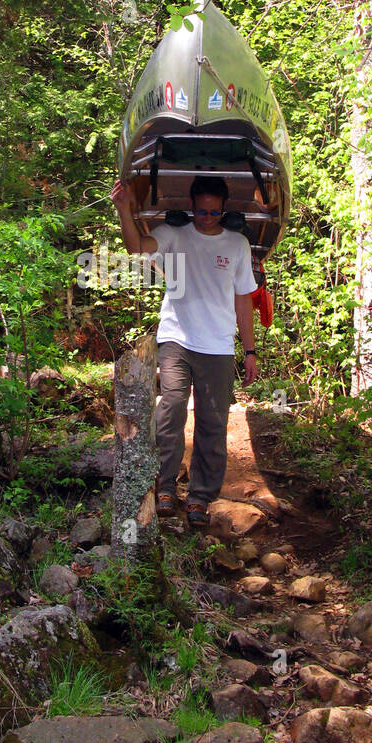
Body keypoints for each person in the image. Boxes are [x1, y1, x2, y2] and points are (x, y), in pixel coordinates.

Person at [111, 174, 258, 527]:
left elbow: (243, 300)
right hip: (176, 338)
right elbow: (135, 249)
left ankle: (200, 497)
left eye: (214, 212)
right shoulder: (173, 234)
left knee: (212, 421)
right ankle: (165, 488)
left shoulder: (237, 244)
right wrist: (123, 211)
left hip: (219, 346)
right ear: (191, 207)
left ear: (224, 210)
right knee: (172, 409)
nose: (207, 218)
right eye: (201, 211)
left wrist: (249, 350)